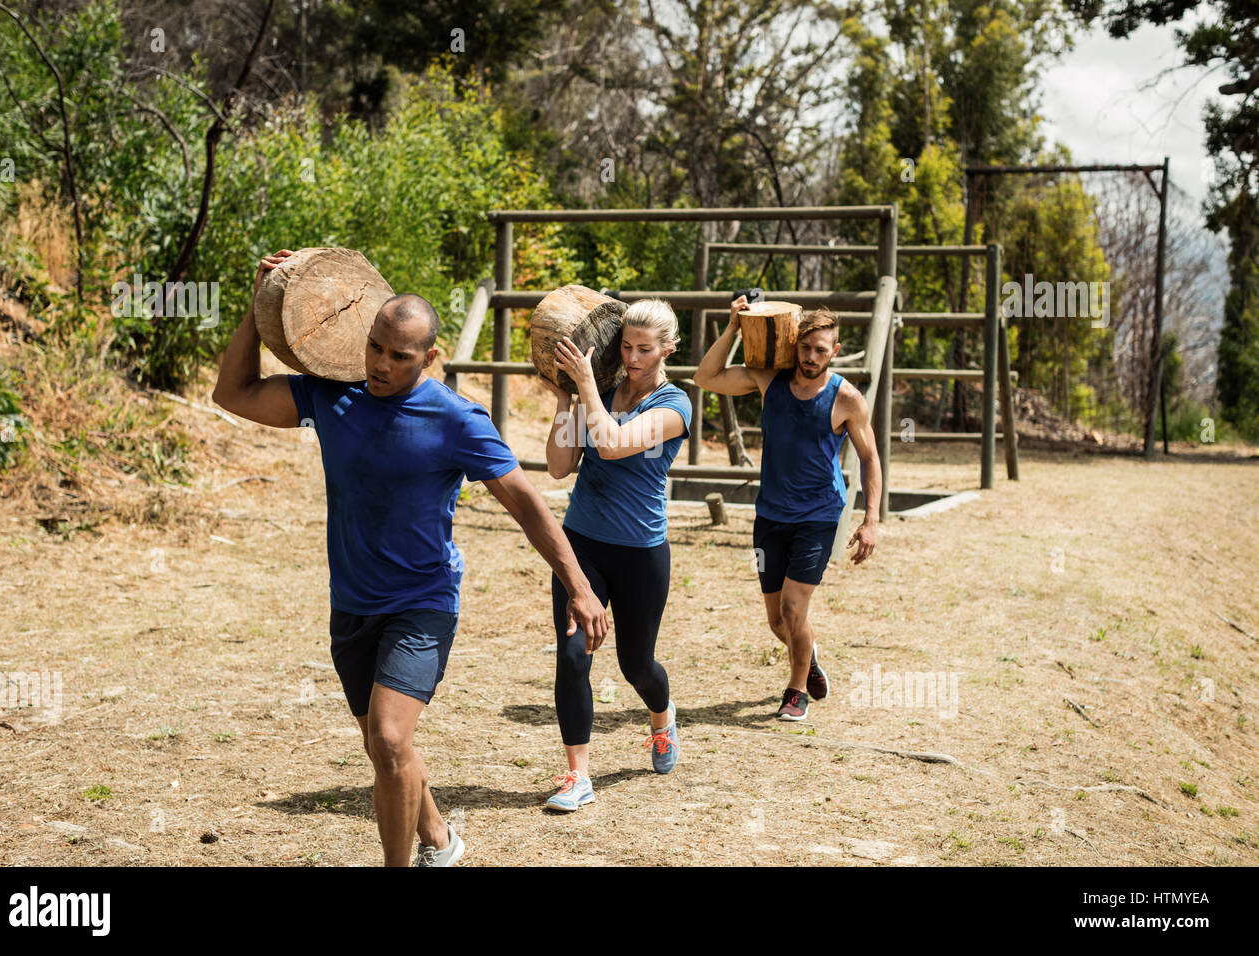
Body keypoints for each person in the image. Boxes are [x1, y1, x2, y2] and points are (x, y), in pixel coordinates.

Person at [213, 250, 607, 865]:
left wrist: (580, 587)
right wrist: (261, 301)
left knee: (392, 738)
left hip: (423, 602)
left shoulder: (455, 419)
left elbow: (527, 504)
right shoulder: (331, 396)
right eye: (375, 346)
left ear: (427, 359)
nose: (380, 364)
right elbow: (232, 392)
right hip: (353, 603)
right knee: (381, 744)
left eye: (399, 356)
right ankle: (439, 837)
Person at [537, 299, 692, 812]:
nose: (632, 357)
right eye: (625, 346)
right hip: (581, 545)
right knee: (572, 653)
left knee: (636, 664)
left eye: (644, 349)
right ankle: (577, 776)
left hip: (641, 553)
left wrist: (584, 388)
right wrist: (567, 396)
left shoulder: (676, 406)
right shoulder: (597, 389)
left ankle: (662, 717)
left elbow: (612, 444)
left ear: (668, 349)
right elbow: (560, 466)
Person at [694, 297, 880, 721]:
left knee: (795, 610)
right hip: (770, 515)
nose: (811, 357)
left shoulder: (847, 398)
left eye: (821, 350)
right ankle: (807, 656)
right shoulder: (768, 380)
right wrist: (733, 330)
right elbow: (706, 376)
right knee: (779, 622)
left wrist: (870, 521)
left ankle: (796, 692)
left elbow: (870, 458)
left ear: (834, 351)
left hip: (818, 516)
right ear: (796, 346)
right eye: (806, 348)